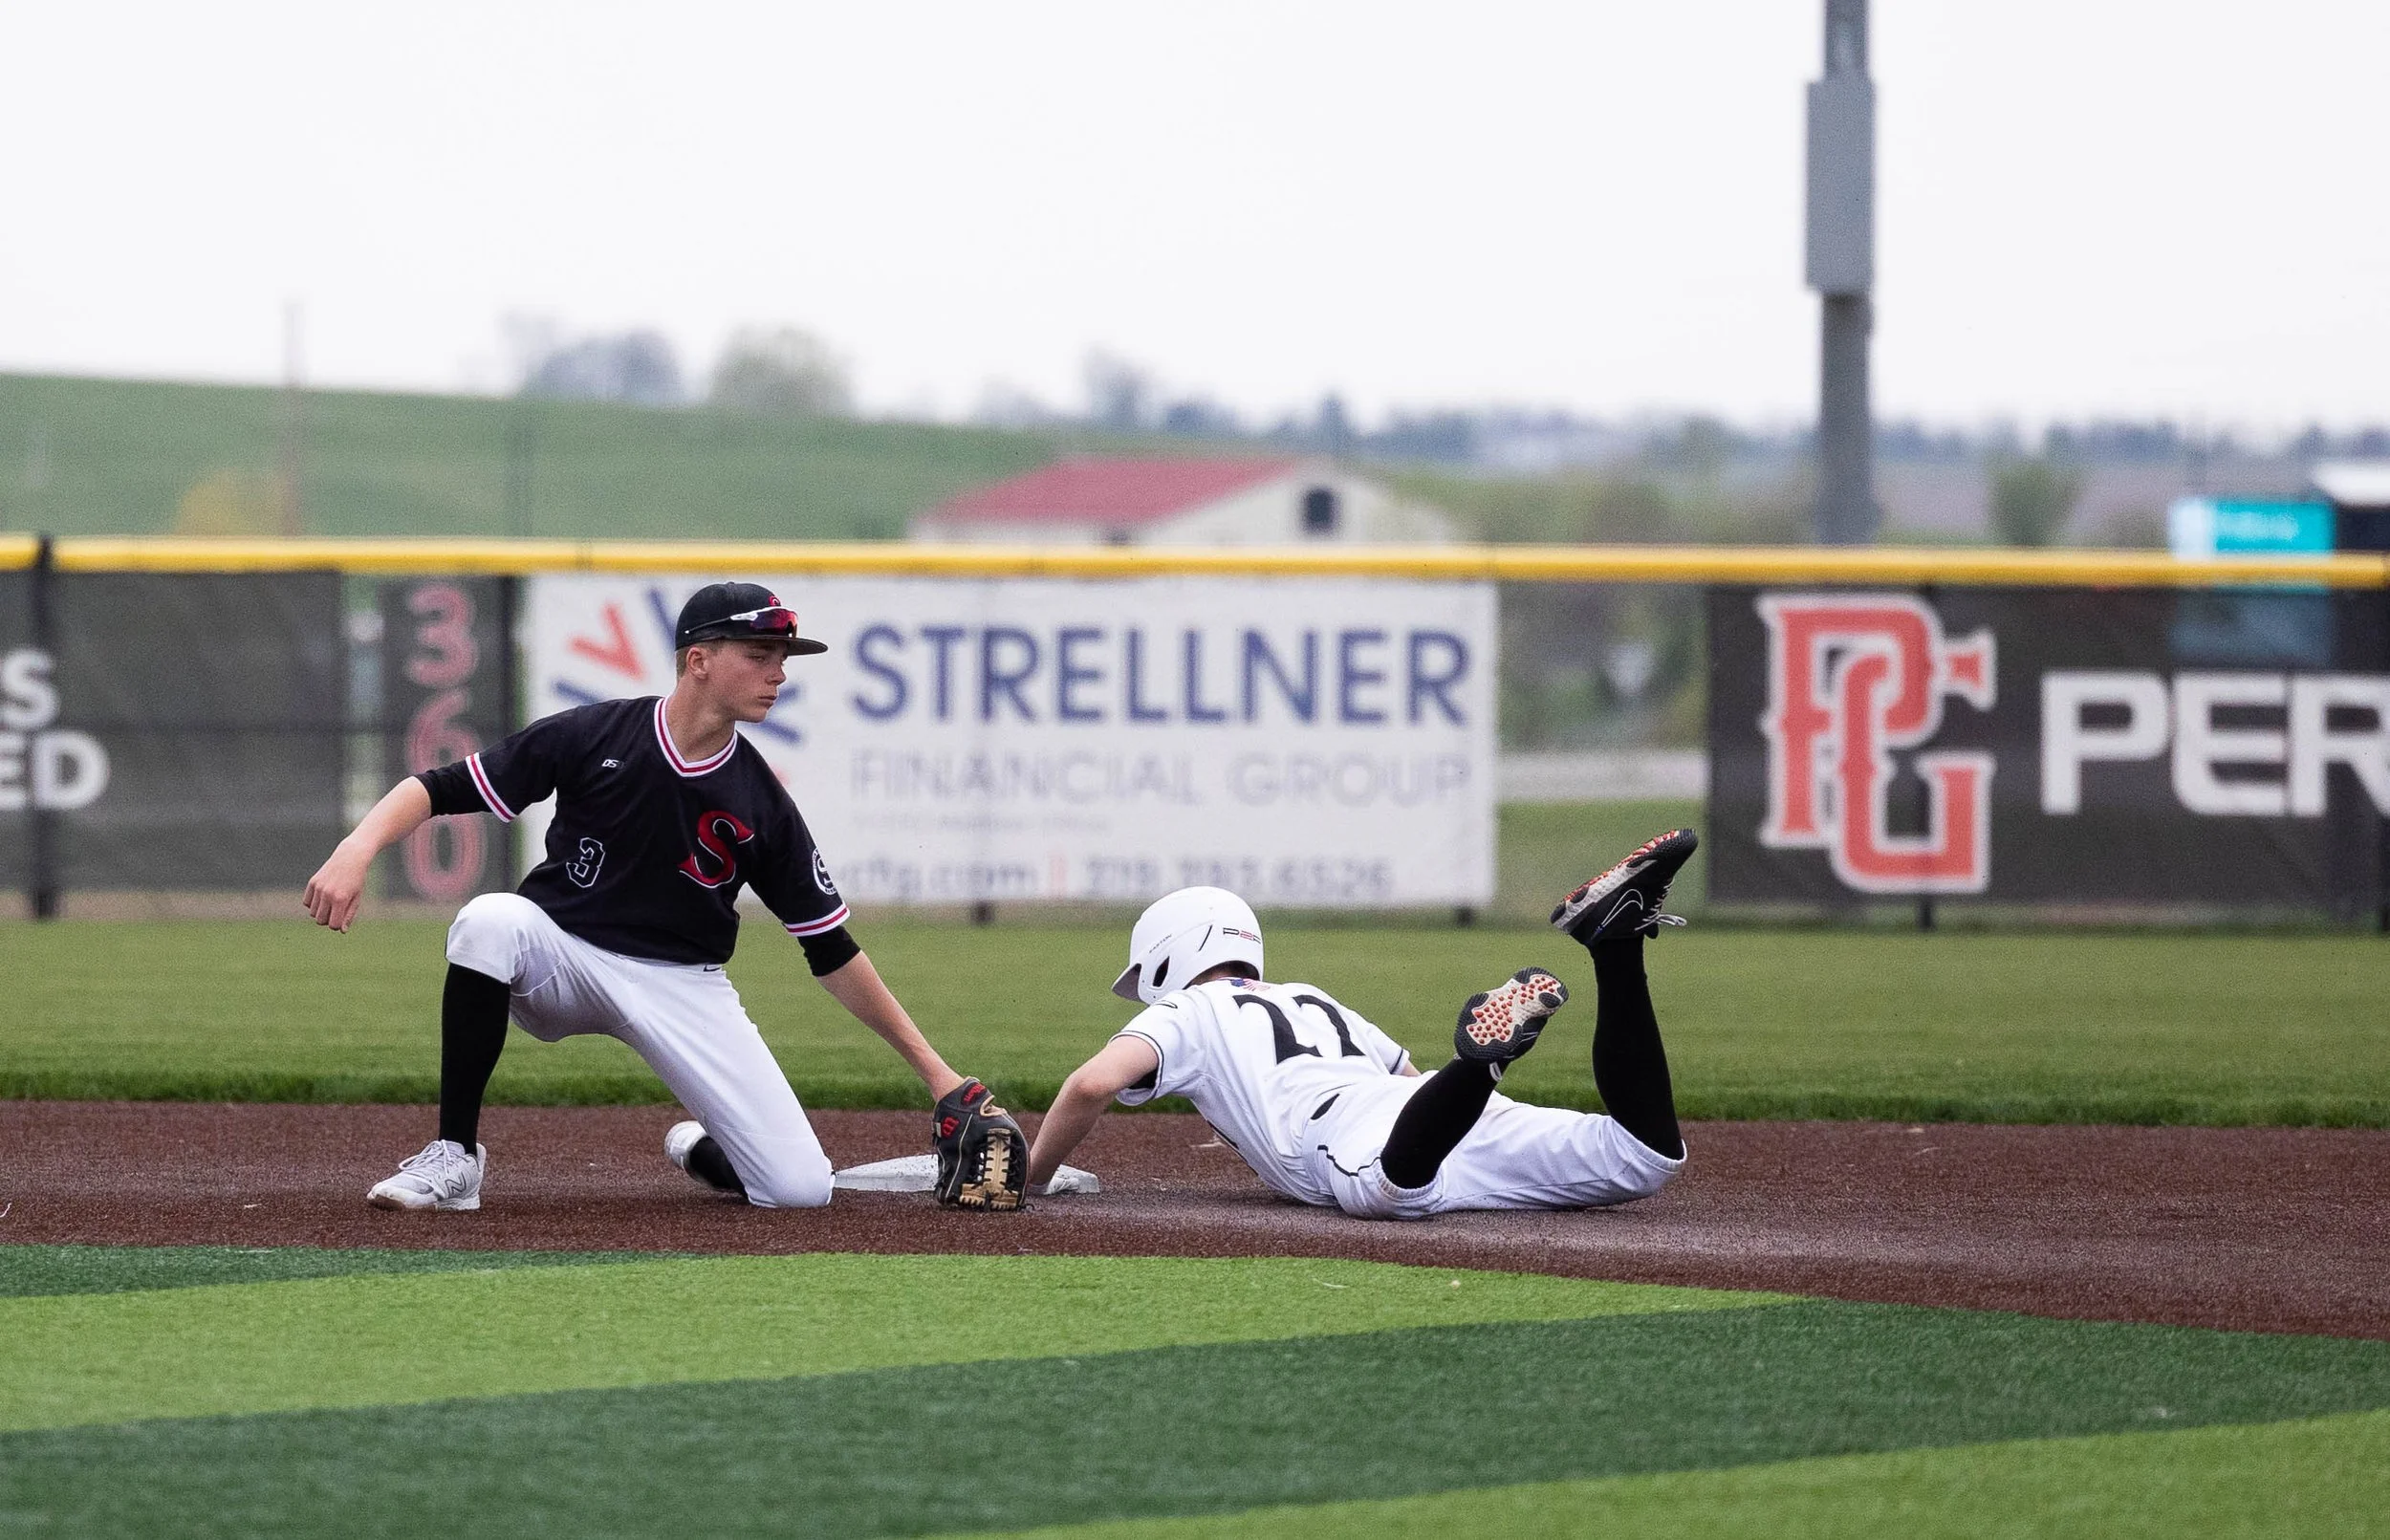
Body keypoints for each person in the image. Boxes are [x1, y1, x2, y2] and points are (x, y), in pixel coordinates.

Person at [305, 581, 980, 1212]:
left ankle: (702, 1143)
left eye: (782, 657)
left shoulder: (762, 801)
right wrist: (355, 847)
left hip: (682, 984)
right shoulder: (595, 734)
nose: (779, 673)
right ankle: (455, 1157)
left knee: (800, 1189)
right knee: (488, 920)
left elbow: (830, 948)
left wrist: (938, 1074)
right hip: (562, 957)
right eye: (759, 654)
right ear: (699, 661)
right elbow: (439, 786)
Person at [1023, 831, 1698, 1219]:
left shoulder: (1190, 1008)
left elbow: (1091, 1084)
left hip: (1349, 1128)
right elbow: (1404, 1078)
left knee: (1389, 1190)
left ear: (1173, 956)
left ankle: (1482, 1062)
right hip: (1425, 1107)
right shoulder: (1308, 996)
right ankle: (1616, 944)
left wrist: (1035, 1175)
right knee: (1641, 1157)